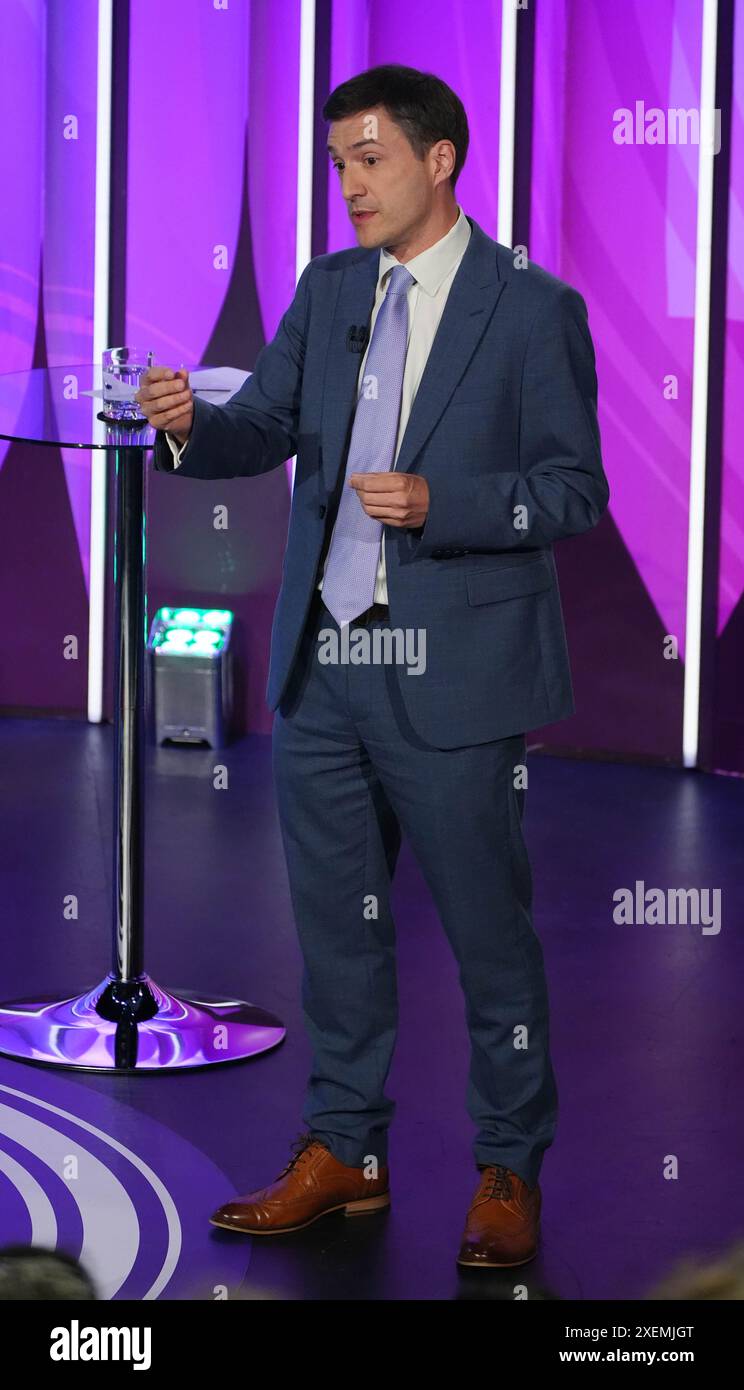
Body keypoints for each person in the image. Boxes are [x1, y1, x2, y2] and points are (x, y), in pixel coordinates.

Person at [136, 63, 609, 1269]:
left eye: (369, 159)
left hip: (454, 675)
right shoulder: (331, 285)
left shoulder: (530, 305)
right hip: (328, 666)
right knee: (338, 932)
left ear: (439, 159)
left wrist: (445, 501)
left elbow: (573, 491)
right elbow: (269, 427)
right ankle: (344, 1147)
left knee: (487, 935)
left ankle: (510, 1165)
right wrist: (192, 422)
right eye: (338, 162)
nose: (348, 184)